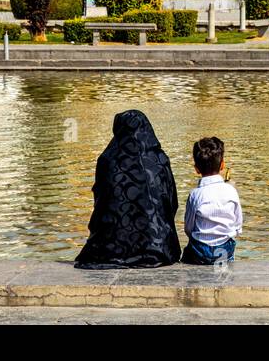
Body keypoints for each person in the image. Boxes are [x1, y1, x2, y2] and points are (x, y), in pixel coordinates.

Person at [76, 110, 181, 268]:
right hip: (158, 248)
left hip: (110, 247)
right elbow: (171, 202)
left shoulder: (107, 160)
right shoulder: (159, 160)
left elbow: (101, 202)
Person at [182, 136, 243, 265]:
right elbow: (237, 226)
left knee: (187, 253)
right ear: (222, 165)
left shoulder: (195, 195)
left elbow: (188, 229)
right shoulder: (231, 191)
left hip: (200, 252)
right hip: (224, 250)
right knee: (229, 249)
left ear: (196, 168)